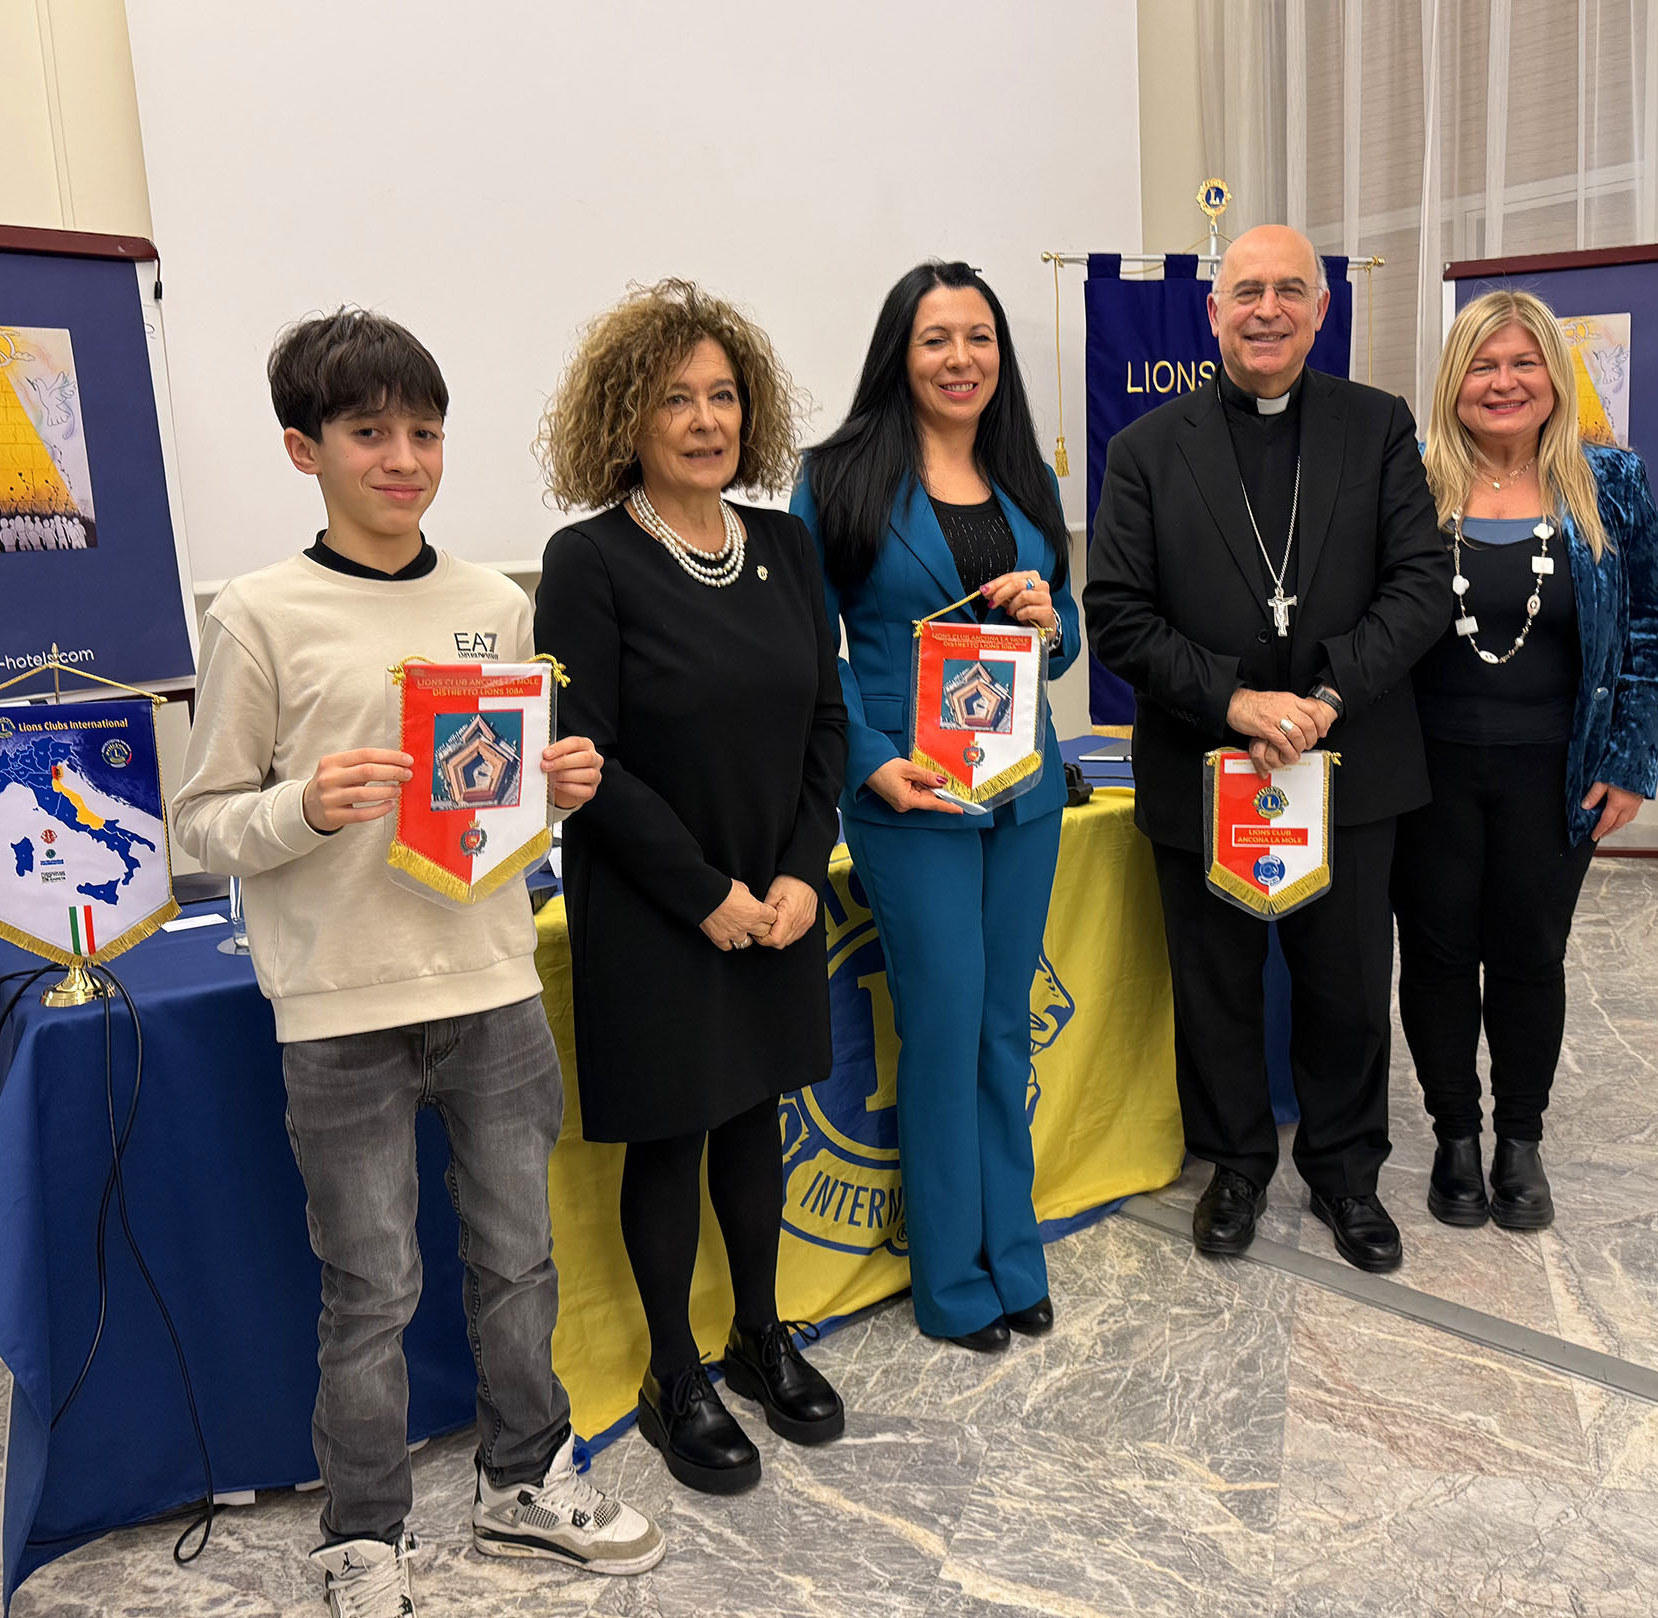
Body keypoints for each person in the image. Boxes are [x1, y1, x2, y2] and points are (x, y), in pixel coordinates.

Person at [174, 310, 663, 1618]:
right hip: (339, 1005)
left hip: (492, 983)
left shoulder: (493, 606)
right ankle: (364, 1530)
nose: (403, 458)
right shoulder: (260, 617)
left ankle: (522, 1480)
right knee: (371, 1284)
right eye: (369, 432)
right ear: (304, 448)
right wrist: (303, 808)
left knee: (517, 1260)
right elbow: (200, 818)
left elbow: (487, 804)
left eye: (425, 431)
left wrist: (557, 788)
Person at [1086, 225, 1451, 1274]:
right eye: (1247, 290)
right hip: (1209, 768)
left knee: (1344, 982)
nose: (1268, 309)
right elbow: (1116, 610)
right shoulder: (1148, 448)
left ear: (1321, 308)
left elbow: (1419, 584)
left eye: (1291, 289)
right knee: (1218, 980)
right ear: (1213, 312)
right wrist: (1239, 702)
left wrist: (1326, 695)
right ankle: (1237, 1164)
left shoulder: (1377, 428)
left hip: (1351, 765)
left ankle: (1344, 1173)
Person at [533, 281, 848, 1494]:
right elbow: (584, 755)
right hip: (655, 906)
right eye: (677, 398)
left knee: (755, 1116)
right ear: (629, 414)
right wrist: (707, 891)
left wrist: (795, 870)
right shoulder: (589, 559)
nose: (706, 420)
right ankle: (675, 1372)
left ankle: (758, 1335)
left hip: (774, 896)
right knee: (670, 1141)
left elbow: (826, 718)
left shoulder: (784, 544)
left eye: (723, 396)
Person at [790, 261, 1080, 1352]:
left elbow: (1066, 643)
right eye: (936, 340)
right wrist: (867, 763)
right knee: (946, 1027)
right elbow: (807, 654)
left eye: (979, 338)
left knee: (1006, 1031)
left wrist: (1051, 620)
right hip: (909, 801)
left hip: (1023, 798)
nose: (961, 359)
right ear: (899, 356)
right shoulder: (839, 478)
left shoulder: (1025, 476)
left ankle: (1016, 1253)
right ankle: (953, 1280)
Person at [1397, 289, 1658, 1230]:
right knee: (1436, 958)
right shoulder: (1412, 483)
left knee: (1527, 956)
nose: (1504, 382)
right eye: (1483, 364)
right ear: (1455, 381)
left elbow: (1647, 629)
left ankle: (1519, 1140)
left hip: (1557, 776)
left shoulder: (1612, 482)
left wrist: (1634, 762)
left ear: (1554, 377)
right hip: (1424, 775)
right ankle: (1455, 1140)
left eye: (1523, 364)